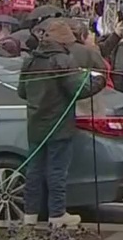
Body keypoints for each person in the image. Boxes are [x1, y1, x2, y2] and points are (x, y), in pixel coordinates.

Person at [17, 18, 105, 227]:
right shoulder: (64, 61)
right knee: (57, 171)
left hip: (35, 124)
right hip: (58, 126)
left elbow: (22, 92)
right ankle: (57, 214)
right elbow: (79, 90)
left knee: (34, 171)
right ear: (64, 42)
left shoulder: (30, 61)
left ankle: (30, 215)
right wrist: (99, 80)